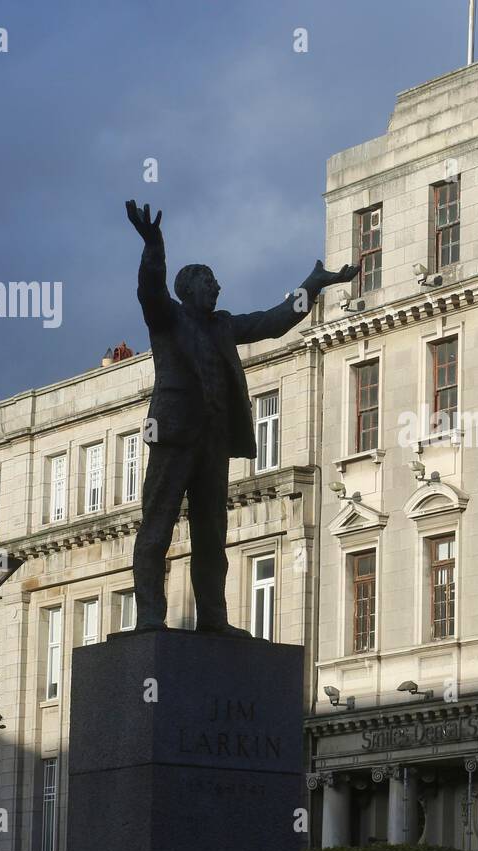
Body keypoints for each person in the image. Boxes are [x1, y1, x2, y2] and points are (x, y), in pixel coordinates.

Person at [124, 200, 358, 635]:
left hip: (212, 440)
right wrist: (154, 245)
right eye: (210, 282)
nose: (219, 287)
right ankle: (150, 617)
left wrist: (315, 283)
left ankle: (213, 618)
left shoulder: (222, 325)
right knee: (156, 528)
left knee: (212, 535)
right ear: (189, 288)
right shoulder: (167, 318)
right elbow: (149, 289)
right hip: (173, 435)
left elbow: (273, 322)